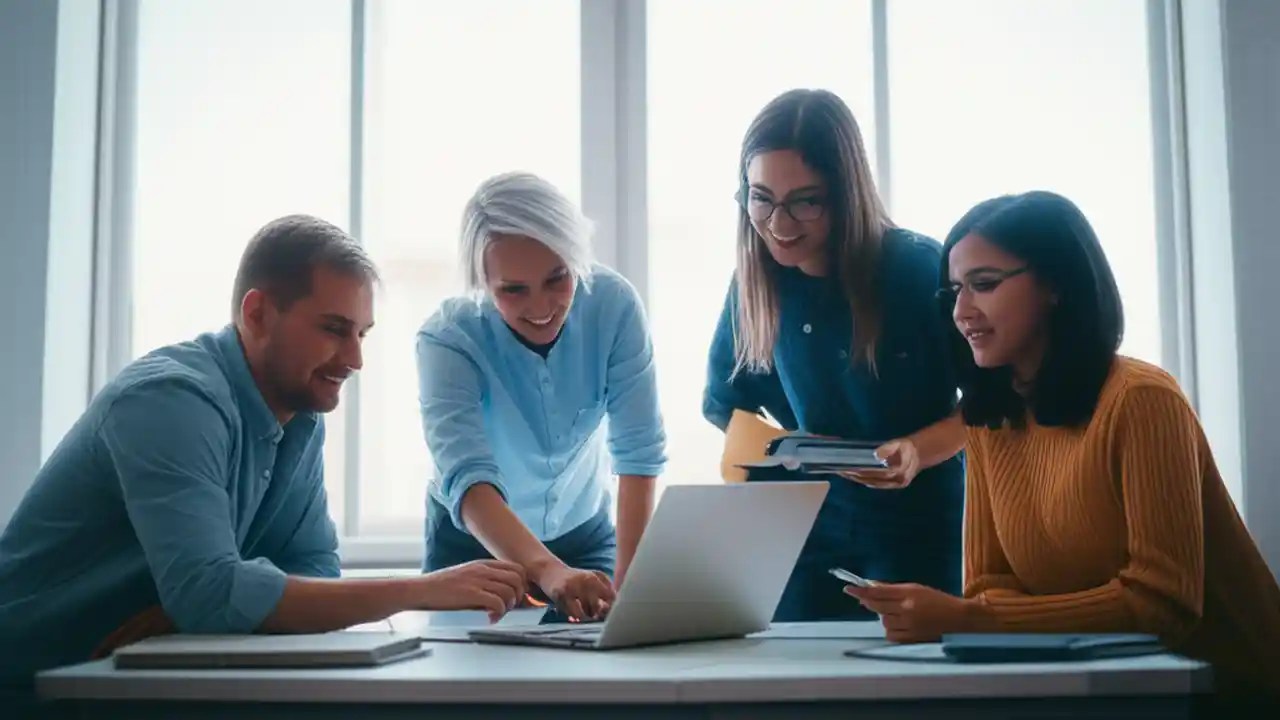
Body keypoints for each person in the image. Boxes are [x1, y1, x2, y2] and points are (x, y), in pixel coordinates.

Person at [0, 215, 526, 687]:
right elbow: (211, 593)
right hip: (33, 680)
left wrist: (201, 607)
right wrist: (420, 590)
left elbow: (312, 568)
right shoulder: (170, 401)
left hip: (128, 673)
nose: (355, 359)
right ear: (257, 313)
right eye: (334, 329)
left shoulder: (298, 419)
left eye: (362, 334)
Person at [844, 191, 1280, 696]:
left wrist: (971, 619)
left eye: (983, 285)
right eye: (953, 292)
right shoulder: (990, 415)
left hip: (1231, 690)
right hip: (1102, 691)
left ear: (1055, 285)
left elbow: (1165, 604)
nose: (961, 311)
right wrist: (972, 614)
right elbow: (990, 583)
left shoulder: (1142, 400)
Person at [703, 88, 966, 622]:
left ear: (846, 194)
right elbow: (724, 405)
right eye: (760, 198)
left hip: (918, 526)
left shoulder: (916, 269)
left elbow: (992, 401)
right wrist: (790, 447)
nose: (778, 225)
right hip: (803, 527)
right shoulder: (756, 282)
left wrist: (915, 451)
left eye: (805, 201)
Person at [417, 172, 667, 621]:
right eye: (513, 290)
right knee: (466, 684)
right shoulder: (448, 338)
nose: (541, 307)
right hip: (473, 542)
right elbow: (468, 479)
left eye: (557, 279)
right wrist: (547, 570)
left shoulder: (614, 306)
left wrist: (633, 590)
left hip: (584, 532)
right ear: (482, 281)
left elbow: (638, 456)